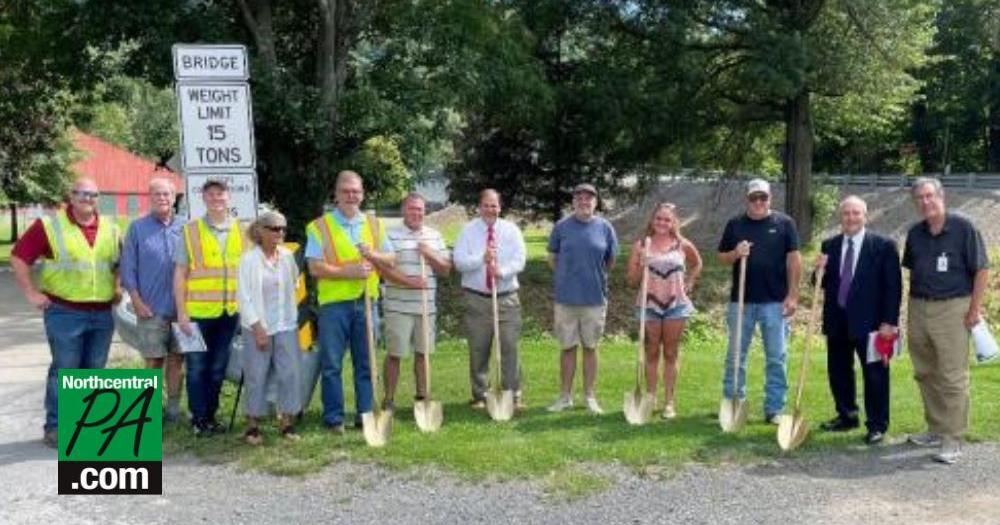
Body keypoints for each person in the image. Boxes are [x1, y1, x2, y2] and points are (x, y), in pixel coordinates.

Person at [10, 178, 121, 448]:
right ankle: (56, 427)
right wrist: (31, 293)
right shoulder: (49, 226)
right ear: (71, 196)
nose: (87, 198)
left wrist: (117, 288)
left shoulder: (111, 228)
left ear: (98, 198)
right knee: (65, 369)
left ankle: (84, 425)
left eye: (93, 194)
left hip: (102, 313)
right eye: (81, 193)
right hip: (64, 312)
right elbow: (19, 257)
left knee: (94, 371)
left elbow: (117, 264)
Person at [903, 177, 989, 464]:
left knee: (952, 376)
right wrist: (909, 310)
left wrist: (974, 310)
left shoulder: (964, 228)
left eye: (929, 196)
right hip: (919, 307)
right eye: (919, 198)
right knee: (925, 372)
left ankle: (953, 438)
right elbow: (912, 272)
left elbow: (981, 270)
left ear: (942, 196)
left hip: (953, 308)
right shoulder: (915, 233)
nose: (925, 202)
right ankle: (936, 429)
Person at [305, 170, 393, 434]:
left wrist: (373, 254)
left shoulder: (375, 225)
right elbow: (314, 267)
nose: (351, 195)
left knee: (366, 363)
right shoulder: (319, 227)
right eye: (346, 191)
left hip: (366, 303)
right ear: (336, 194)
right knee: (332, 364)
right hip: (334, 306)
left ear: (362, 194)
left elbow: (391, 259)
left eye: (356, 191)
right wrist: (349, 272)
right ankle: (334, 418)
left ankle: (365, 414)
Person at [814, 196, 902, 445]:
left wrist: (889, 321)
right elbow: (821, 283)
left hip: (872, 323)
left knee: (875, 375)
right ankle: (847, 416)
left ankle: (877, 425)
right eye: (846, 213)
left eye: (856, 213)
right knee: (839, 372)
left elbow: (893, 287)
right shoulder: (829, 245)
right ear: (840, 217)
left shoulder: (883, 246)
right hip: (837, 321)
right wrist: (818, 270)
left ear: (865, 216)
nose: (851, 218)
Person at [717, 179, 801, 423]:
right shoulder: (735, 224)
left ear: (770, 198)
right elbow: (721, 257)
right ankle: (733, 401)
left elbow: (794, 260)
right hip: (741, 302)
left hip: (775, 302)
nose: (758, 202)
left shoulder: (784, 223)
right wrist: (736, 253)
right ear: (747, 199)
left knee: (776, 357)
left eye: (763, 197)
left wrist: (793, 295)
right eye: (754, 198)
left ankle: (774, 408)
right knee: (736, 356)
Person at [173, 178, 244, 436]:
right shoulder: (190, 231)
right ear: (203, 198)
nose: (216, 198)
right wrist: (181, 313)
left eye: (221, 194)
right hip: (196, 314)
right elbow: (179, 274)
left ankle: (211, 417)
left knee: (217, 368)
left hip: (229, 313)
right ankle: (198, 419)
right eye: (211, 194)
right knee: (196, 368)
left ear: (229, 197)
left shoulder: (242, 231)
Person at [546, 183, 619, 415]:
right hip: (566, 299)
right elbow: (552, 258)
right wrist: (566, 276)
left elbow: (610, 261)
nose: (584, 202)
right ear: (573, 202)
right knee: (567, 348)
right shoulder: (561, 227)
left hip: (594, 299)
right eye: (579, 198)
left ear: (595, 202)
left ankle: (589, 397)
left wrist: (594, 276)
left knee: (590, 347)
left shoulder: (605, 228)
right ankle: (565, 397)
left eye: (589, 198)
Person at [375, 193, 451, 411]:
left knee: (423, 354)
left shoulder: (434, 236)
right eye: (412, 208)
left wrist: (429, 254)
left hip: (426, 307)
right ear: (403, 210)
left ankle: (422, 397)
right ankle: (389, 399)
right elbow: (383, 271)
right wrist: (410, 282)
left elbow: (445, 270)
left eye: (420, 209)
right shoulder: (389, 235)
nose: (416, 213)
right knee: (395, 354)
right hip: (397, 306)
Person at [626, 202, 702, 419]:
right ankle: (650, 398)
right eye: (658, 218)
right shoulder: (641, 245)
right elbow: (631, 280)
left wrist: (690, 281)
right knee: (651, 352)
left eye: (667, 219)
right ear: (652, 220)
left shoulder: (682, 244)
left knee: (670, 352)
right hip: (649, 305)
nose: (662, 222)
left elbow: (697, 263)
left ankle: (669, 402)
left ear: (673, 222)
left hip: (675, 306)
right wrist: (642, 263)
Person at [453, 189, 526, 410]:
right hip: (477, 298)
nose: (490, 209)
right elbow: (459, 262)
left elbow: (520, 260)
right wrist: (481, 259)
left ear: (500, 207)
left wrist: (501, 271)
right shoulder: (468, 231)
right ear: (479, 207)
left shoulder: (511, 230)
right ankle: (480, 395)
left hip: (506, 298)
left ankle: (512, 394)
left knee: (510, 346)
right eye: (486, 205)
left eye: (494, 205)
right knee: (479, 348)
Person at [120, 177, 185, 423]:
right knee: (154, 360)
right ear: (150, 197)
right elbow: (128, 268)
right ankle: (148, 411)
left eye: (166, 194)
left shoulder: (186, 227)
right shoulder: (137, 228)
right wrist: (136, 301)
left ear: (174, 197)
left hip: (182, 309)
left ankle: (173, 410)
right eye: (157, 194)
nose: (162, 198)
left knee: (177, 360)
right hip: (150, 308)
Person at [237, 210, 302, 444]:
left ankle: (287, 422)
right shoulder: (248, 260)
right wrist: (258, 328)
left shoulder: (287, 256)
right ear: (261, 231)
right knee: (256, 374)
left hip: (285, 324)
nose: (280, 233)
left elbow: (294, 282)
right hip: (257, 325)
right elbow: (243, 297)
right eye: (274, 228)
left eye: (283, 228)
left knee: (289, 373)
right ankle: (252, 426)